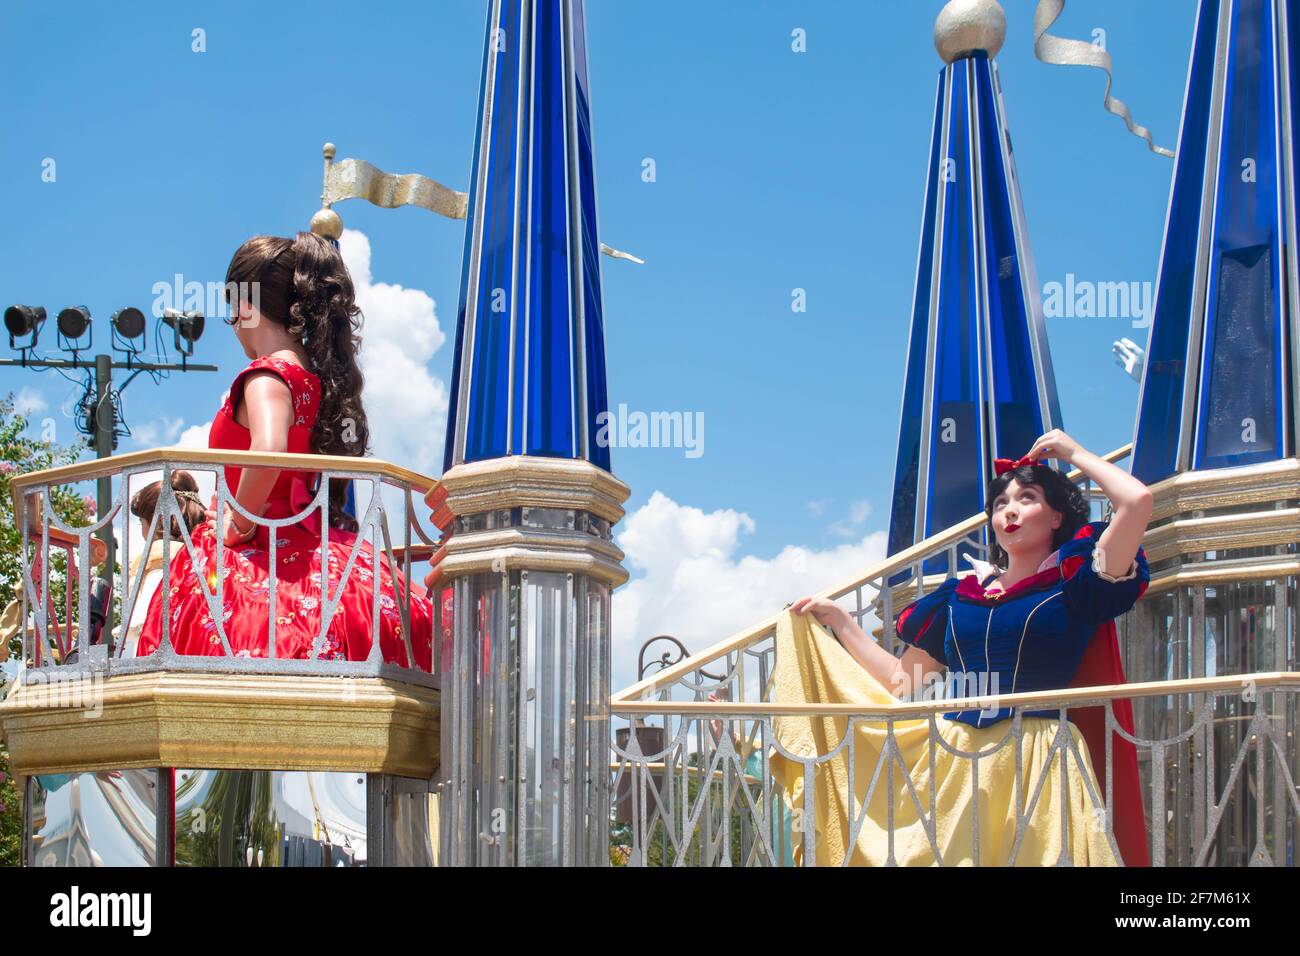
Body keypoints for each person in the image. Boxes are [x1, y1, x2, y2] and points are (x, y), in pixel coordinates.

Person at [781, 429, 1152, 866]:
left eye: (1027, 498)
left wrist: (1074, 453)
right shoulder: (961, 595)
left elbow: (1136, 502)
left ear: (1056, 517)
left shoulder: (1076, 583)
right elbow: (903, 682)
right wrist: (842, 622)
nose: (1010, 511)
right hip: (956, 757)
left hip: (1036, 754)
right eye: (1000, 504)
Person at [135, 232, 433, 668]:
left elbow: (270, 447)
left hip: (261, 553)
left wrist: (239, 524)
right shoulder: (316, 379)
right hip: (316, 547)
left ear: (243, 307)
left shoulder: (266, 376)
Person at [113, 472, 208, 657]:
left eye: (142, 522)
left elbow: (141, 621)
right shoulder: (200, 552)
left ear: (157, 521)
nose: (142, 530)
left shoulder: (158, 557)